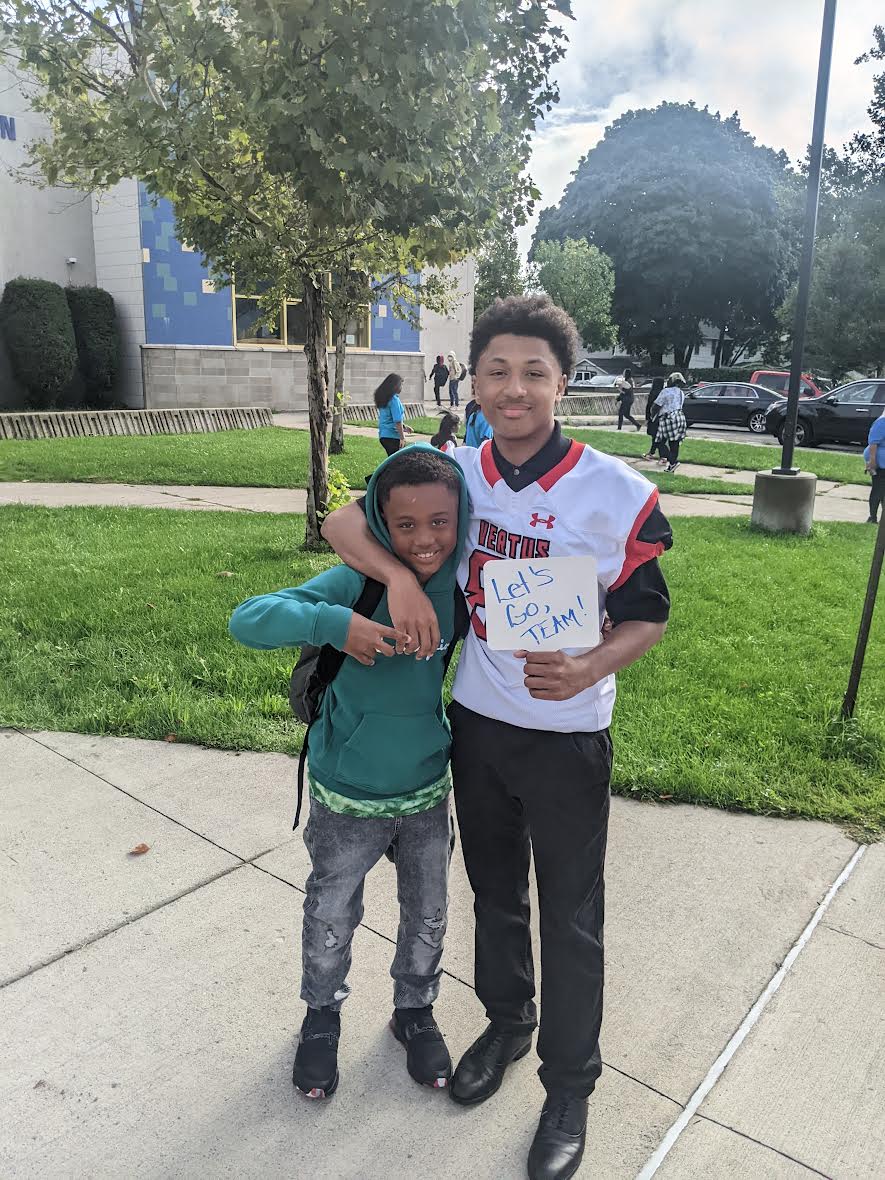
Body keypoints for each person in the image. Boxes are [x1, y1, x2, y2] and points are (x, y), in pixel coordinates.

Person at [322, 294, 672, 1180]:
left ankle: (568, 1083)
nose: (513, 391)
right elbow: (341, 520)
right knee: (495, 894)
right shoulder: (452, 470)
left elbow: (647, 614)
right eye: (496, 372)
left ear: (562, 382)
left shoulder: (614, 491)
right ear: (472, 379)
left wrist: (591, 667)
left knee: (570, 912)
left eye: (533, 374)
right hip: (477, 724)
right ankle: (509, 1023)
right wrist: (400, 579)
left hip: (565, 737)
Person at [229, 446, 470, 1100]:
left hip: (425, 790)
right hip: (346, 793)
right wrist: (336, 625)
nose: (425, 539)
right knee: (332, 911)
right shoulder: (352, 585)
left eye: (440, 522)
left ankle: (413, 1011)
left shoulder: (463, 592)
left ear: (462, 519)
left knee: (428, 913)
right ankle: (321, 1016)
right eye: (406, 525)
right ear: (379, 525)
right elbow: (246, 620)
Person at [654, 372, 688, 472]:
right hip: (680, 417)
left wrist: (652, 416)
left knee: (659, 441)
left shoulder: (666, 391)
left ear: (672, 381)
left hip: (668, 418)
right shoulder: (681, 393)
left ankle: (673, 461)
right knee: (674, 443)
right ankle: (671, 466)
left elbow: (656, 405)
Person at [375, 372, 406, 457]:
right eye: (401, 385)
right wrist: (402, 438)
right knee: (398, 462)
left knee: (392, 461)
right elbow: (397, 421)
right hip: (393, 436)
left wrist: (404, 427)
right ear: (395, 386)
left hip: (383, 435)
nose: (402, 387)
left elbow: (389, 418)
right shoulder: (394, 400)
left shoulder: (385, 399)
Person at [864, 408, 885, 524]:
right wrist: (872, 462)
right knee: (878, 489)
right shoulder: (882, 422)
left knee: (882, 490)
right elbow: (873, 443)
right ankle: (873, 517)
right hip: (879, 462)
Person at [643, 376, 665, 460]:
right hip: (661, 417)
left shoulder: (653, 393)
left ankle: (660, 455)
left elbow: (649, 406)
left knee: (655, 436)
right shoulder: (662, 392)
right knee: (658, 437)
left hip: (654, 417)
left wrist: (648, 417)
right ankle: (654, 453)